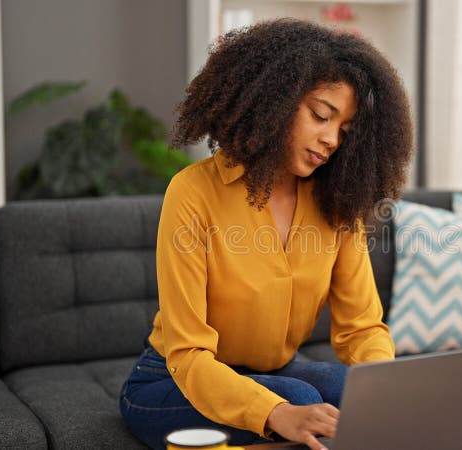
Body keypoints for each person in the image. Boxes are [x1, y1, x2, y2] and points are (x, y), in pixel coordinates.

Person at [119, 18, 413, 450]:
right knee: (298, 400)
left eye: (344, 131)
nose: (331, 139)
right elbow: (188, 354)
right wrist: (276, 412)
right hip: (174, 379)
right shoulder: (194, 192)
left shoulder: (336, 202)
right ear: (275, 99)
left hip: (272, 371)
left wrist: (382, 389)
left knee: (351, 388)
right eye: (320, 115)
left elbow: (361, 329)